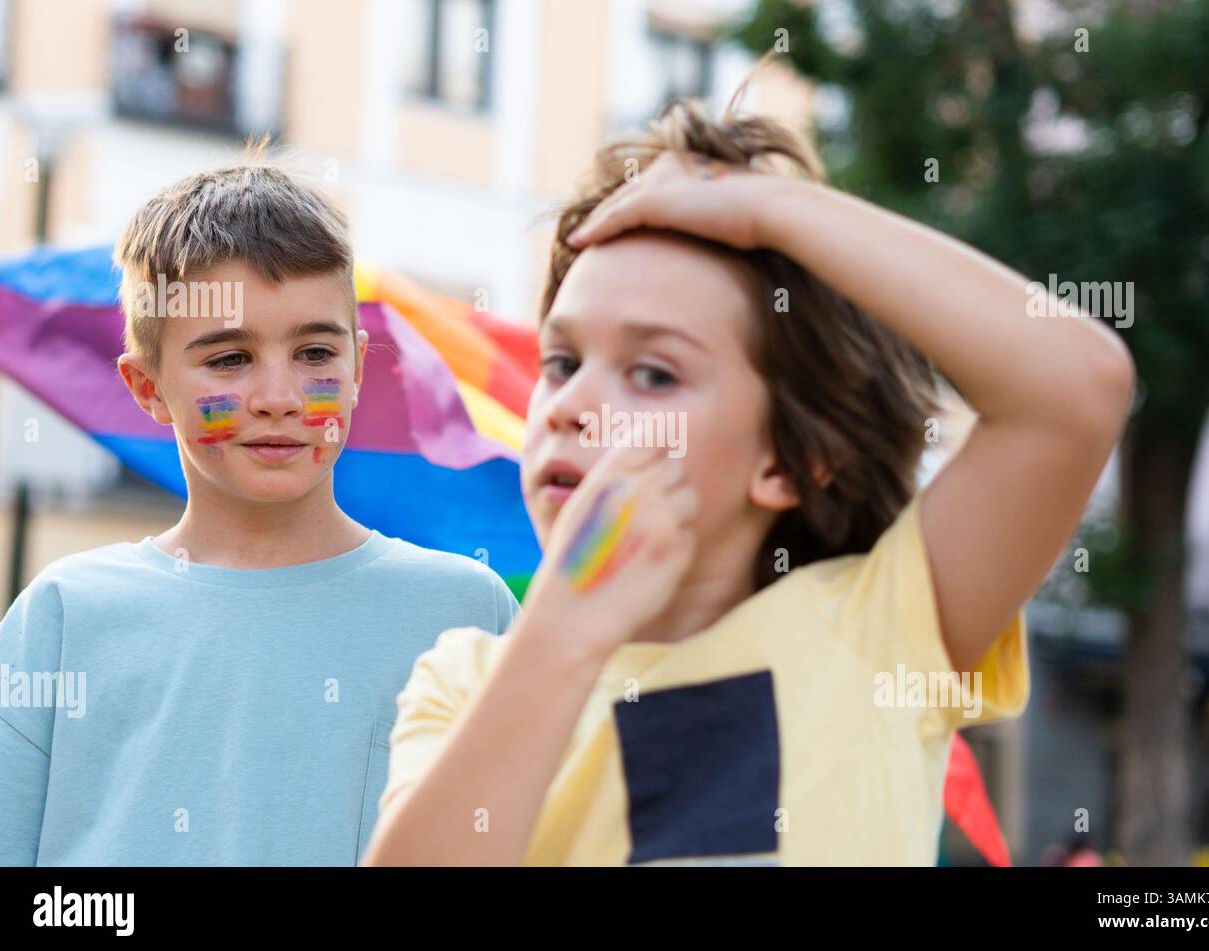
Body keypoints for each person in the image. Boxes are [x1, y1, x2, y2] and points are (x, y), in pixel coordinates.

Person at [364, 95, 1133, 866]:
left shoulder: (883, 626)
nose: (572, 406)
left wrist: (768, 208)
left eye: (654, 373)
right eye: (561, 363)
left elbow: (1078, 389)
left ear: (791, 462)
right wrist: (564, 631)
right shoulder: (465, 682)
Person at [0, 154, 517, 865]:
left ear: (358, 369)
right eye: (229, 359)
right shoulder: (61, 618)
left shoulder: (464, 613)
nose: (280, 396)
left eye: (315, 352)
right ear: (146, 387)